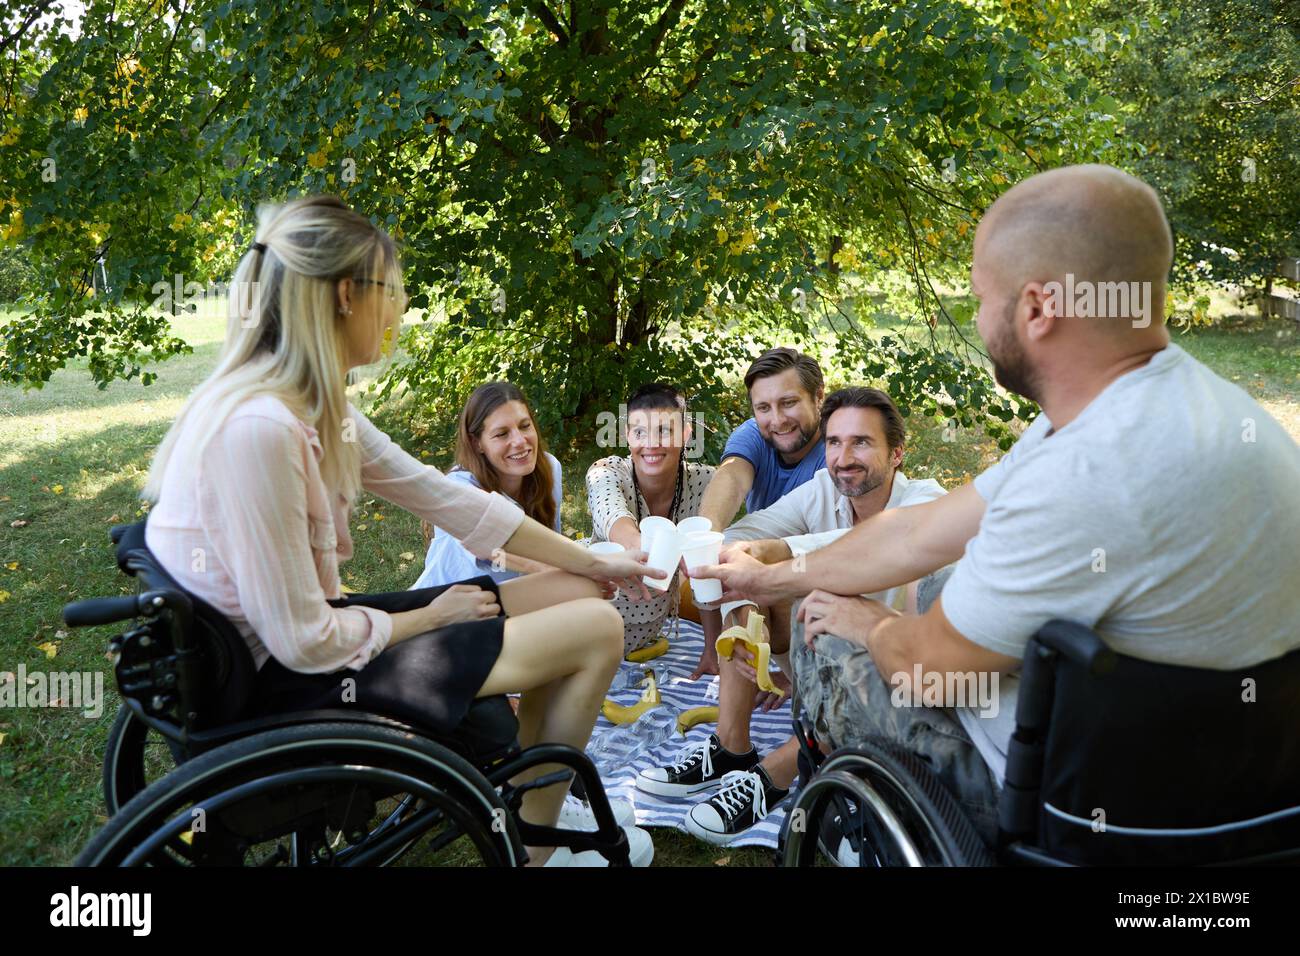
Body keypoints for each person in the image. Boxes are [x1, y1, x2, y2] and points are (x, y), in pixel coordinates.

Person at [693, 164, 1300, 851]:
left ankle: (818, 793)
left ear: (1037, 308)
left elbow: (926, 670)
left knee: (826, 632)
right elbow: (922, 530)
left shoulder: (1084, 471)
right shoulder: (1183, 407)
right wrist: (775, 576)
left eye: (982, 296)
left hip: (1085, 809)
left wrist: (869, 622)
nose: (977, 318)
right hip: (1246, 792)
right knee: (914, 585)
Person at [142, 195, 666, 866]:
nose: (401, 305)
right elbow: (305, 640)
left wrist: (595, 563)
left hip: (297, 649)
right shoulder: (261, 431)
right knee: (598, 628)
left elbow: (448, 501)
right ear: (345, 296)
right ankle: (535, 847)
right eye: (391, 289)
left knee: (578, 590)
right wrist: (430, 618)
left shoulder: (311, 406)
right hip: (285, 687)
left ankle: (536, 795)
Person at [636, 388, 946, 844]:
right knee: (753, 576)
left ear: (897, 453)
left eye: (861, 442)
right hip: (824, 663)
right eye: (835, 443)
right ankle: (731, 747)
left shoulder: (925, 500)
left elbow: (875, 544)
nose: (844, 458)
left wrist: (772, 559)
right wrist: (746, 604)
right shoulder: (824, 488)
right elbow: (742, 538)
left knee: (804, 588)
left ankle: (781, 770)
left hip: (902, 683)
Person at [690, 347, 827, 680]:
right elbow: (732, 477)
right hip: (758, 567)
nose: (777, 420)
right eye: (764, 407)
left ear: (818, 397)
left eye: (788, 403)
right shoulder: (753, 433)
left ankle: (794, 672)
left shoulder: (838, 449)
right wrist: (707, 537)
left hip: (819, 577)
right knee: (725, 571)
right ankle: (747, 673)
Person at [585, 383, 715, 654]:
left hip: (646, 636)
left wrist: (711, 650)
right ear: (627, 436)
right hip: (588, 629)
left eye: (664, 431)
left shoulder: (705, 483)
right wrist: (646, 547)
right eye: (639, 432)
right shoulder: (606, 472)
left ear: (686, 434)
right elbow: (613, 517)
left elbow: (707, 570)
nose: (651, 444)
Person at [412, 381, 562, 588]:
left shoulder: (550, 468)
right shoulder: (459, 489)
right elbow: (494, 555)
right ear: (477, 443)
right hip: (451, 601)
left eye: (524, 426)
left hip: (522, 594)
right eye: (502, 434)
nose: (519, 441)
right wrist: (563, 568)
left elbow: (553, 544)